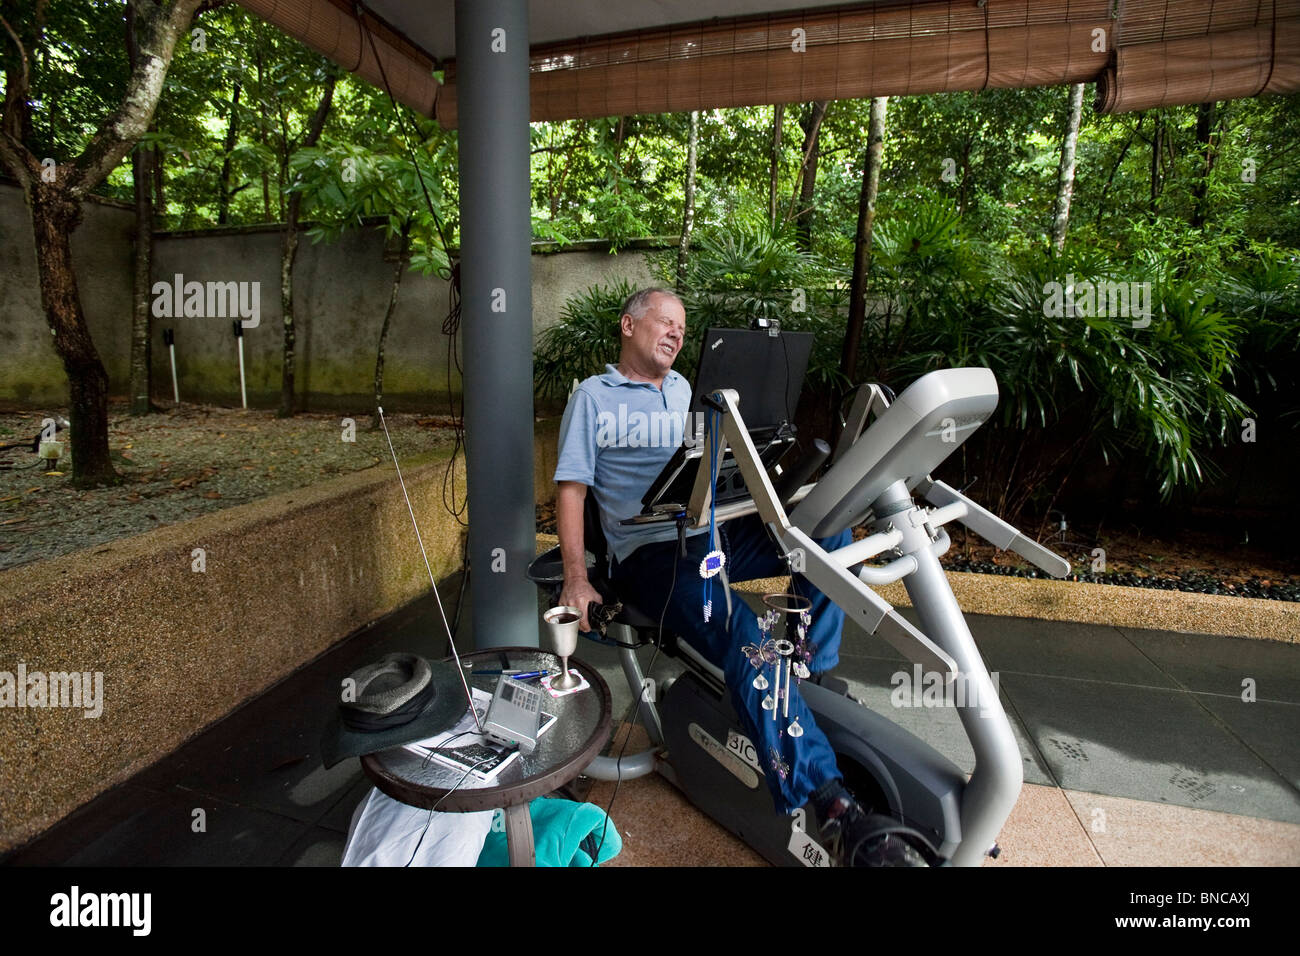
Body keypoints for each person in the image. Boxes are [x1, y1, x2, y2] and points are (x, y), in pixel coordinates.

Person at [553, 287, 925, 866]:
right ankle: (827, 803)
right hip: (652, 553)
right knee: (744, 635)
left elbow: (711, 470)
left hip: (714, 527)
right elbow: (571, 490)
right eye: (665, 322)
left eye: (683, 325)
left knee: (823, 535)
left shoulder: (687, 391)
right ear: (628, 326)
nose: (677, 332)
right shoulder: (594, 398)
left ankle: (809, 674)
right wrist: (577, 578)